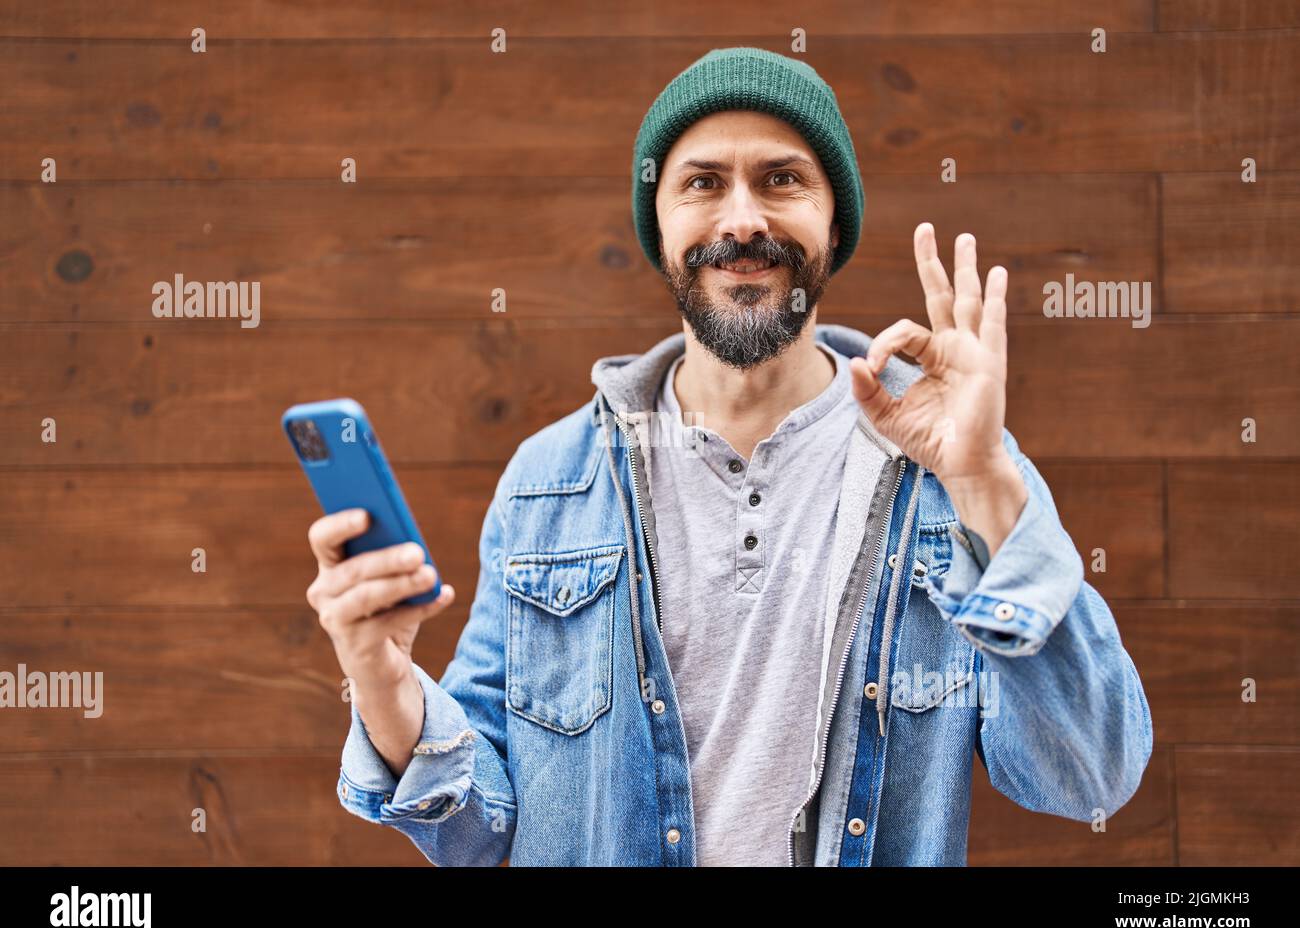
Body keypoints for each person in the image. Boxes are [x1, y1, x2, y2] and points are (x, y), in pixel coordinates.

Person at [305, 47, 1152, 866]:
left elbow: (1089, 777)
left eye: (782, 180)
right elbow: (478, 829)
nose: (743, 219)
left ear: (833, 221)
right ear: (661, 225)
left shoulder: (947, 472)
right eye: (703, 183)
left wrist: (985, 487)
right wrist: (383, 679)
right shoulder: (550, 479)